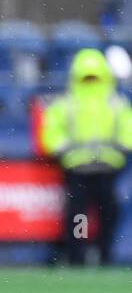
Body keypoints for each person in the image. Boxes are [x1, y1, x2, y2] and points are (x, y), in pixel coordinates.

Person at [40, 49, 132, 265]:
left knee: (107, 215)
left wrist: (121, 148)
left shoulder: (114, 103)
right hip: (78, 169)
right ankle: (78, 257)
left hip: (107, 168)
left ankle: (104, 253)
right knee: (79, 216)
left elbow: (128, 130)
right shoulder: (67, 104)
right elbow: (51, 133)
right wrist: (63, 150)